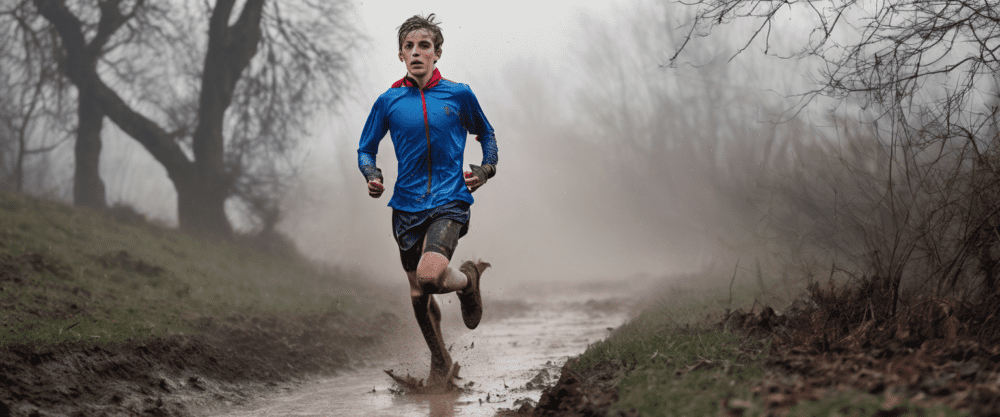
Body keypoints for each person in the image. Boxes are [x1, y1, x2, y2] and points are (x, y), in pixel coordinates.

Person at [357, 13, 498, 387]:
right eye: (409, 46)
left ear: (437, 54)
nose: (417, 52)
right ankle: (440, 361)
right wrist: (372, 175)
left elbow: (486, 134)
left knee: (430, 276)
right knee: (419, 294)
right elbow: (366, 149)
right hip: (405, 207)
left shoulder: (458, 94)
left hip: (450, 200)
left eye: (424, 46)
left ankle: (467, 281)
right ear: (401, 55)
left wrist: (486, 169)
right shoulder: (388, 101)